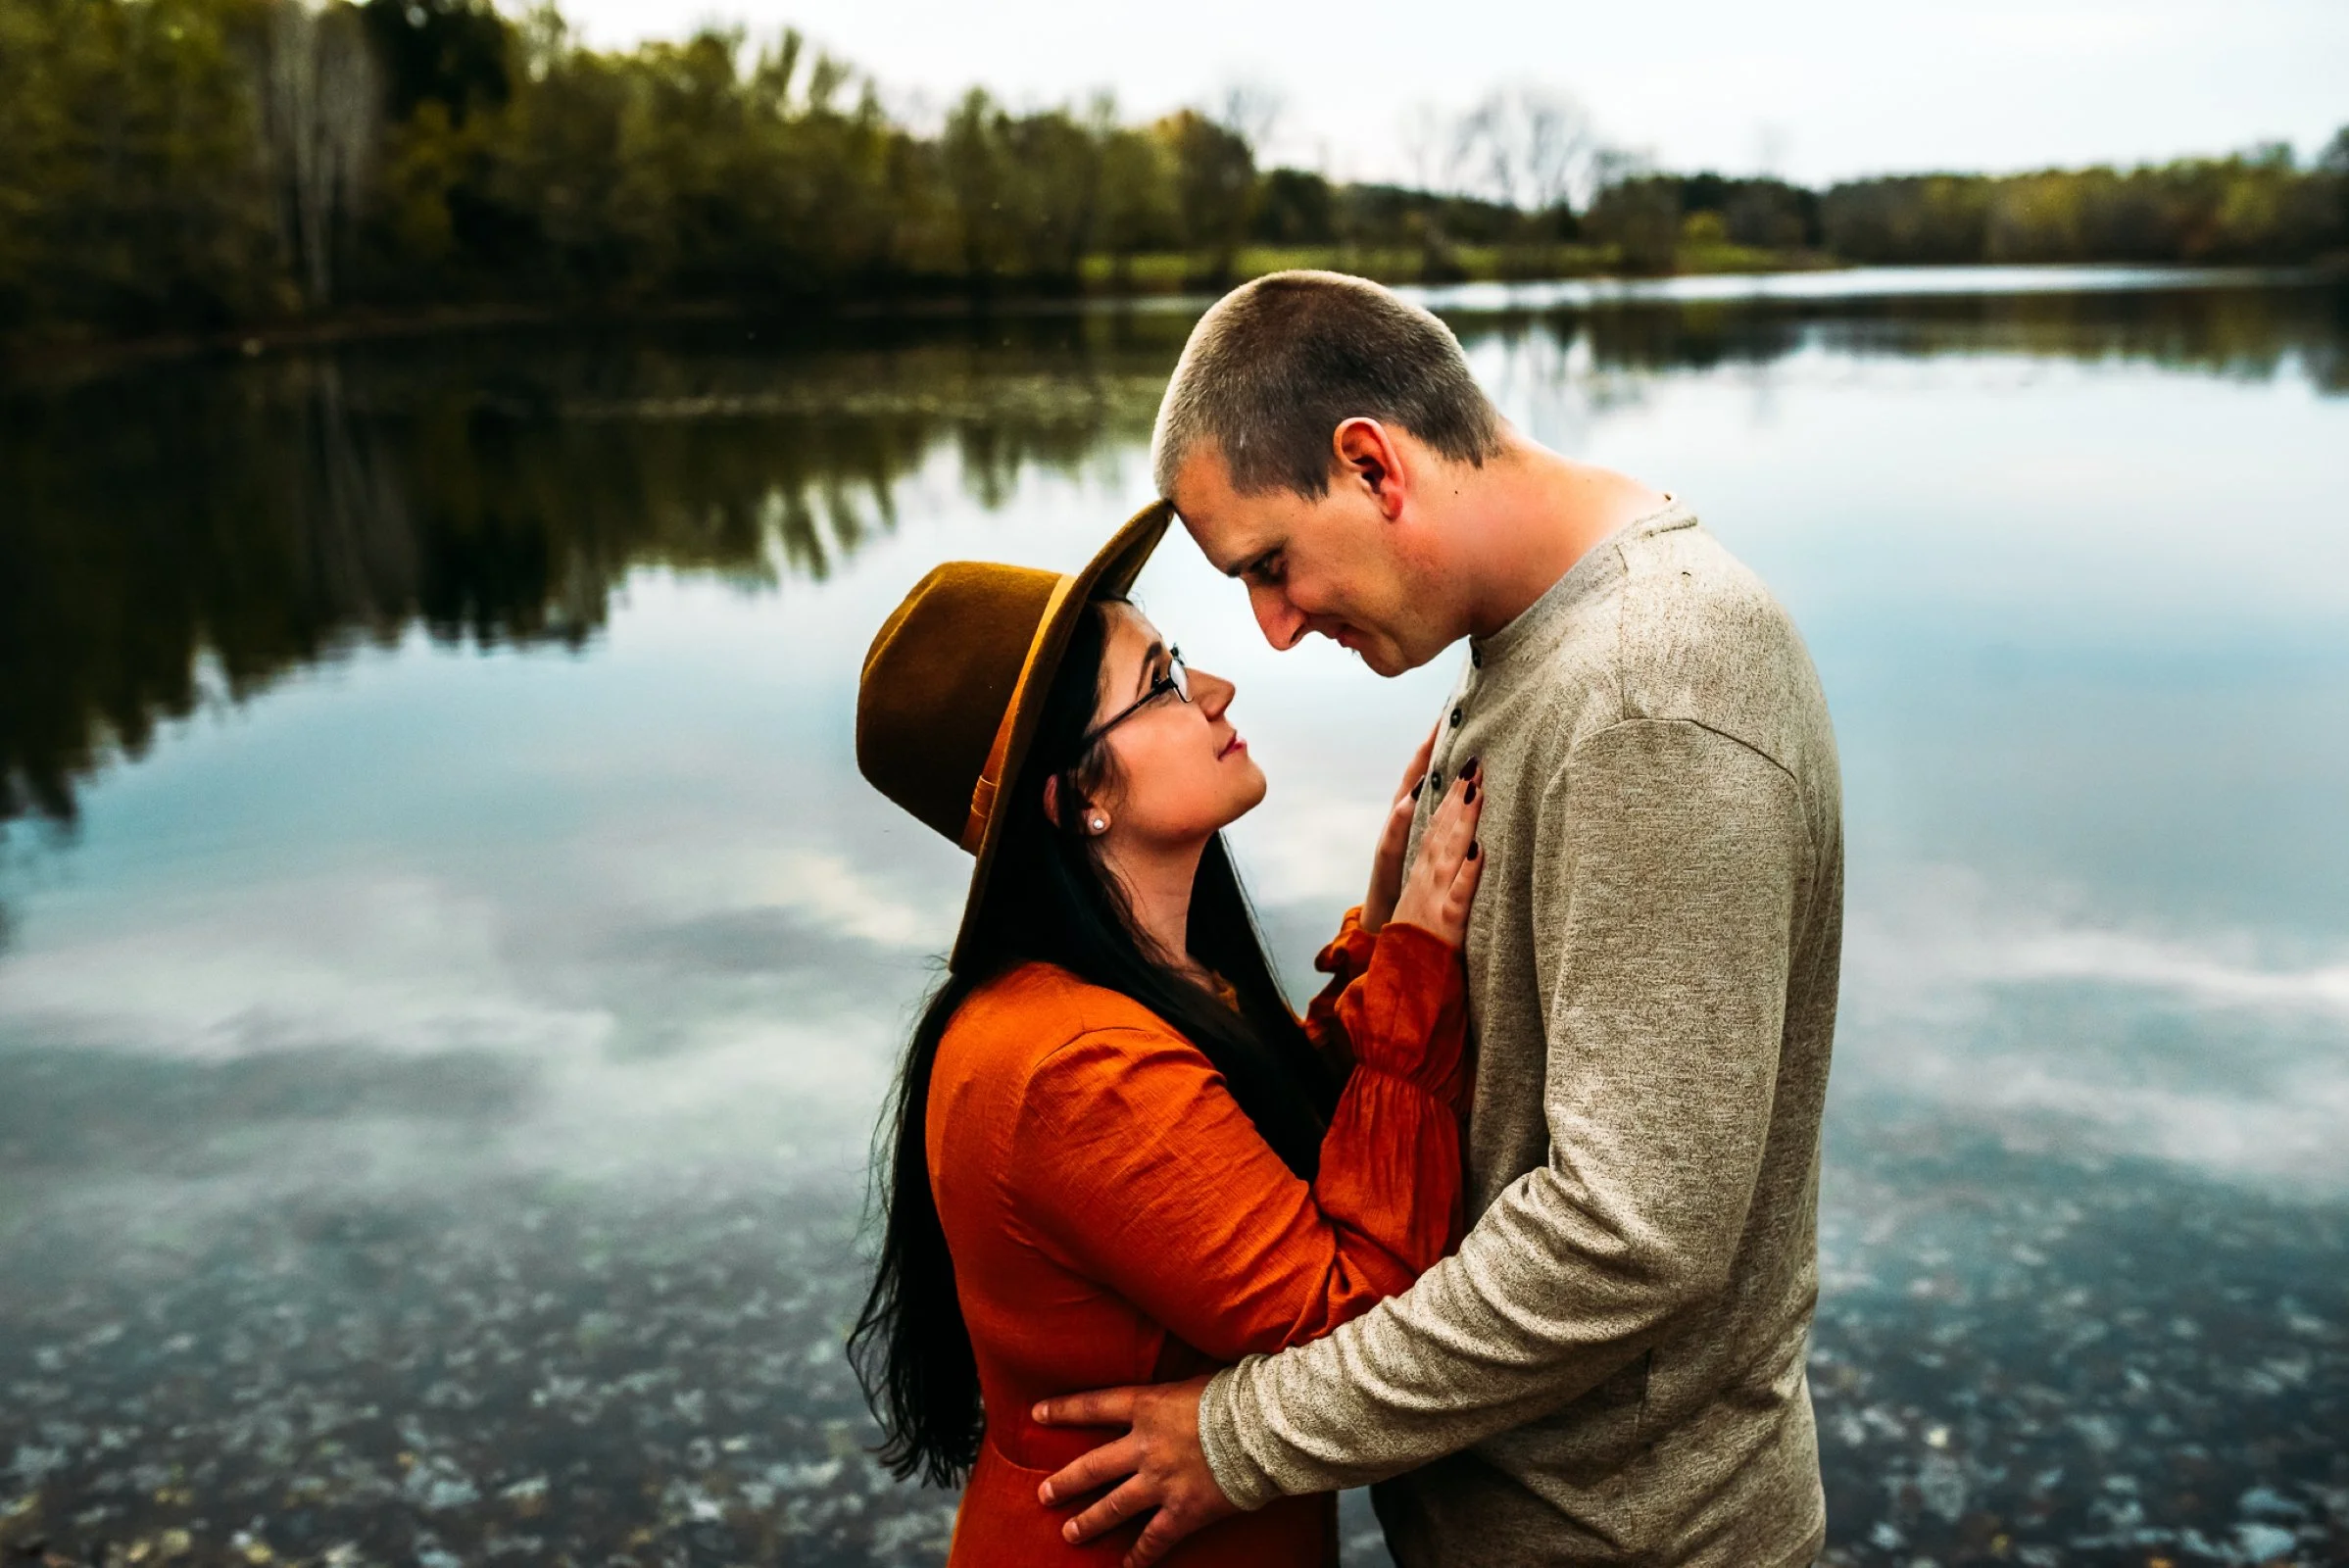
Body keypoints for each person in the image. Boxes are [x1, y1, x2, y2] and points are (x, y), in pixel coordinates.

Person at [1031, 271, 1845, 1568]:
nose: (1276, 631)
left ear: (1369, 463)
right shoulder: (1540, 656)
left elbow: (1628, 1237)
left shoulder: (1653, 691)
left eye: (1272, 566)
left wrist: (1246, 1437)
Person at [848, 501, 1489, 1566]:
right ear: (1079, 796)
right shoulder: (1076, 1066)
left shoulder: (1134, 987)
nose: (1217, 691)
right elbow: (1362, 1317)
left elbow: (1270, 1155)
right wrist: (1419, 969)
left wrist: (1384, 927)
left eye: (1177, 661)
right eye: (1159, 686)